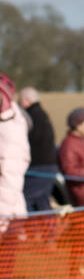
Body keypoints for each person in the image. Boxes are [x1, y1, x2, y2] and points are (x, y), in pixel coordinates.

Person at [19, 88, 58, 212]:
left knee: (28, 200)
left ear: (26, 101)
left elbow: (27, 141)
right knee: (42, 201)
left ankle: (31, 230)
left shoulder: (30, 117)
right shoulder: (43, 115)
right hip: (48, 166)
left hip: (38, 167)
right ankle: (47, 230)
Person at [0, 75, 29, 221]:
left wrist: (3, 216)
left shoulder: (8, 128)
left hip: (6, 208)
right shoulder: (14, 121)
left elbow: (9, 173)